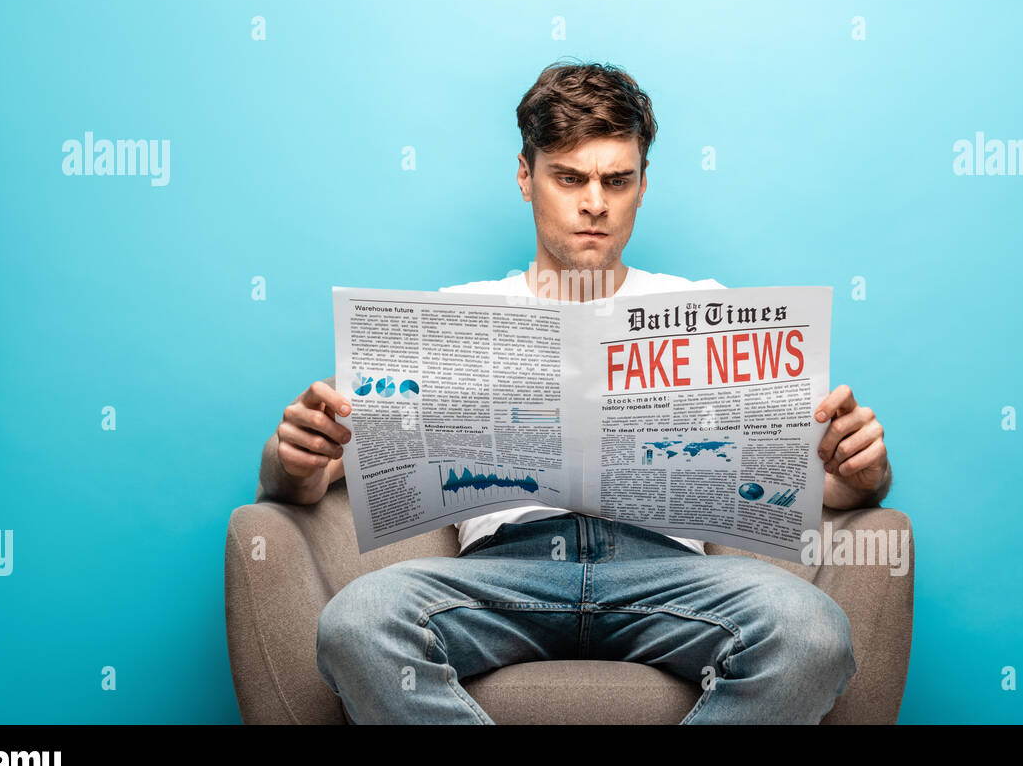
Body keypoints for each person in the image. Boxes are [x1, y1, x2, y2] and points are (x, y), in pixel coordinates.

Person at [257, 60, 893, 723]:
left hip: (668, 577)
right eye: (570, 177)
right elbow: (298, 482)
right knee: (357, 621)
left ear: (642, 185)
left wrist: (864, 470)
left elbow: (830, 488)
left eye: (617, 180)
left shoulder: (702, 306)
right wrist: (291, 456)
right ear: (526, 177)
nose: (596, 202)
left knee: (814, 633)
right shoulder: (453, 315)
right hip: (504, 576)